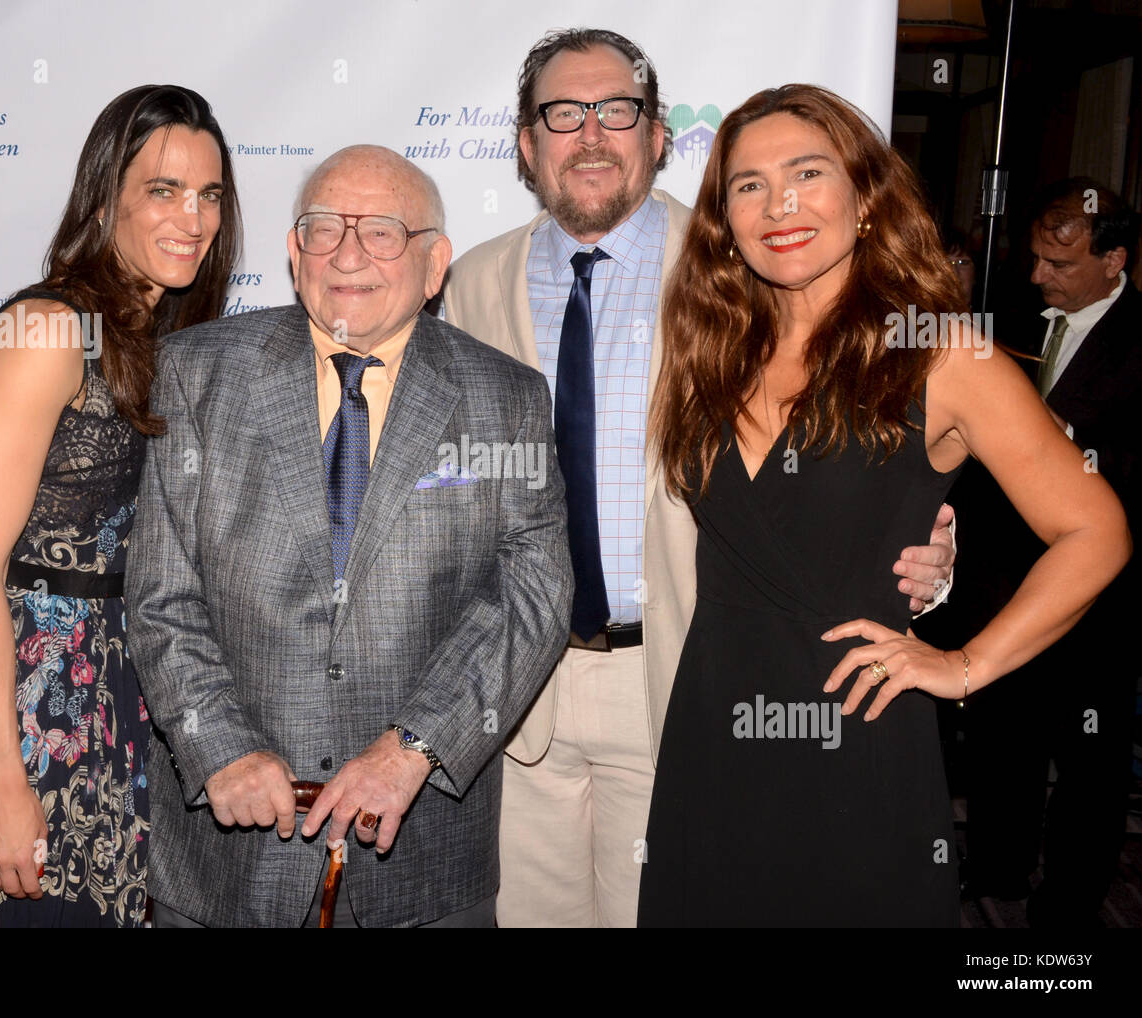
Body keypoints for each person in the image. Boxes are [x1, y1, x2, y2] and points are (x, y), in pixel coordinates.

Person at [443, 28, 956, 927]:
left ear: (658, 136)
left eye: (618, 110)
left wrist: (927, 539)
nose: (591, 133)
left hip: (688, 684)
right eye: (563, 114)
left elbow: (863, 428)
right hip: (519, 693)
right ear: (526, 145)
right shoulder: (470, 283)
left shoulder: (746, 268)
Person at [637, 85, 1130, 927]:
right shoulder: (709, 348)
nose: (778, 204)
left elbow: (1097, 531)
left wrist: (964, 665)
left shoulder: (942, 354)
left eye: (807, 172)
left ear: (864, 196)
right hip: (713, 725)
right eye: (747, 184)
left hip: (855, 729)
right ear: (724, 218)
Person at [125, 144, 572, 928]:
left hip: (423, 854)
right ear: (295, 252)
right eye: (324, 228)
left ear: (436, 265)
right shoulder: (194, 373)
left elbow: (532, 600)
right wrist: (221, 747)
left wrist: (414, 749)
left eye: (383, 233)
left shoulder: (508, 399)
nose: (348, 254)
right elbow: (163, 595)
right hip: (227, 857)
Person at [0, 84, 240, 927]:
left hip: (133, 697)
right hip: (29, 704)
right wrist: (2, 780)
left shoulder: (176, 343)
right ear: (105, 197)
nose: (192, 217)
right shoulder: (45, 332)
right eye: (163, 190)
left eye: (210, 195)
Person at [959, 179, 1141, 926]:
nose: (1037, 276)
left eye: (1058, 264)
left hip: (1103, 590)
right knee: (1006, 734)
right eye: (1033, 259)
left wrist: (1053, 447)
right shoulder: (1008, 318)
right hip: (1006, 576)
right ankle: (996, 866)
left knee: (1092, 760)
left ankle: (1069, 902)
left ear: (1114, 260)